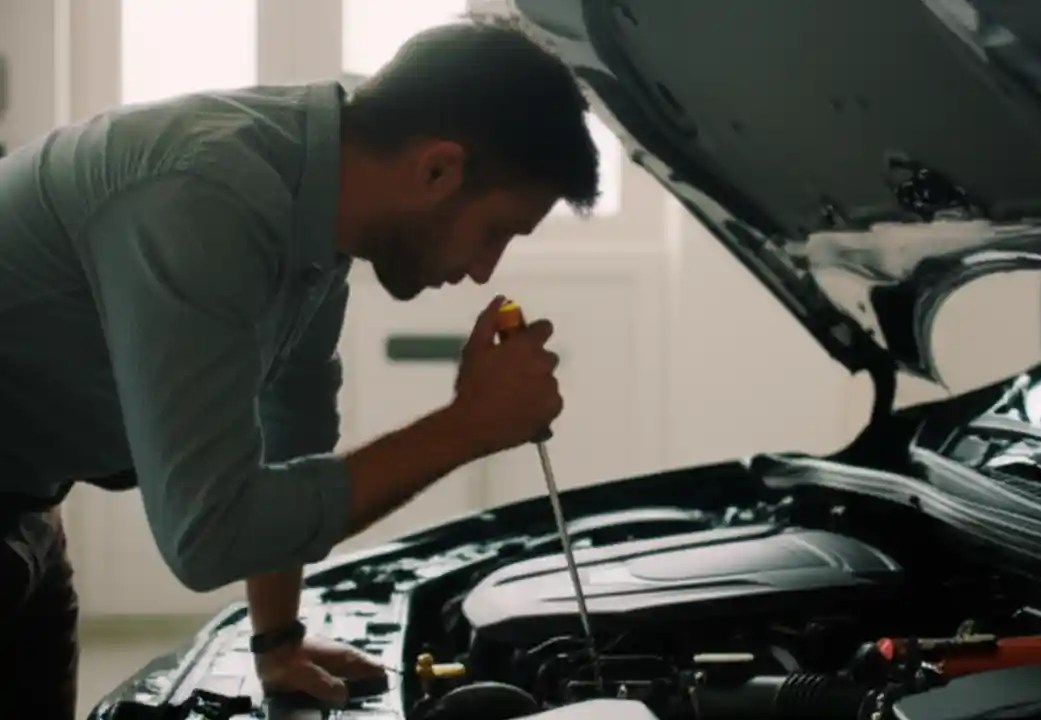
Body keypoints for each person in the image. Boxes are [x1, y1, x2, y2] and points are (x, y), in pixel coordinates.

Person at [0, 19, 599, 718]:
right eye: (494, 230)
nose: (482, 271)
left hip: (28, 506)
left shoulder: (312, 201)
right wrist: (467, 426)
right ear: (436, 169)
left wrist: (277, 641)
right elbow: (209, 535)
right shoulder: (206, 196)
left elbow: (292, 429)